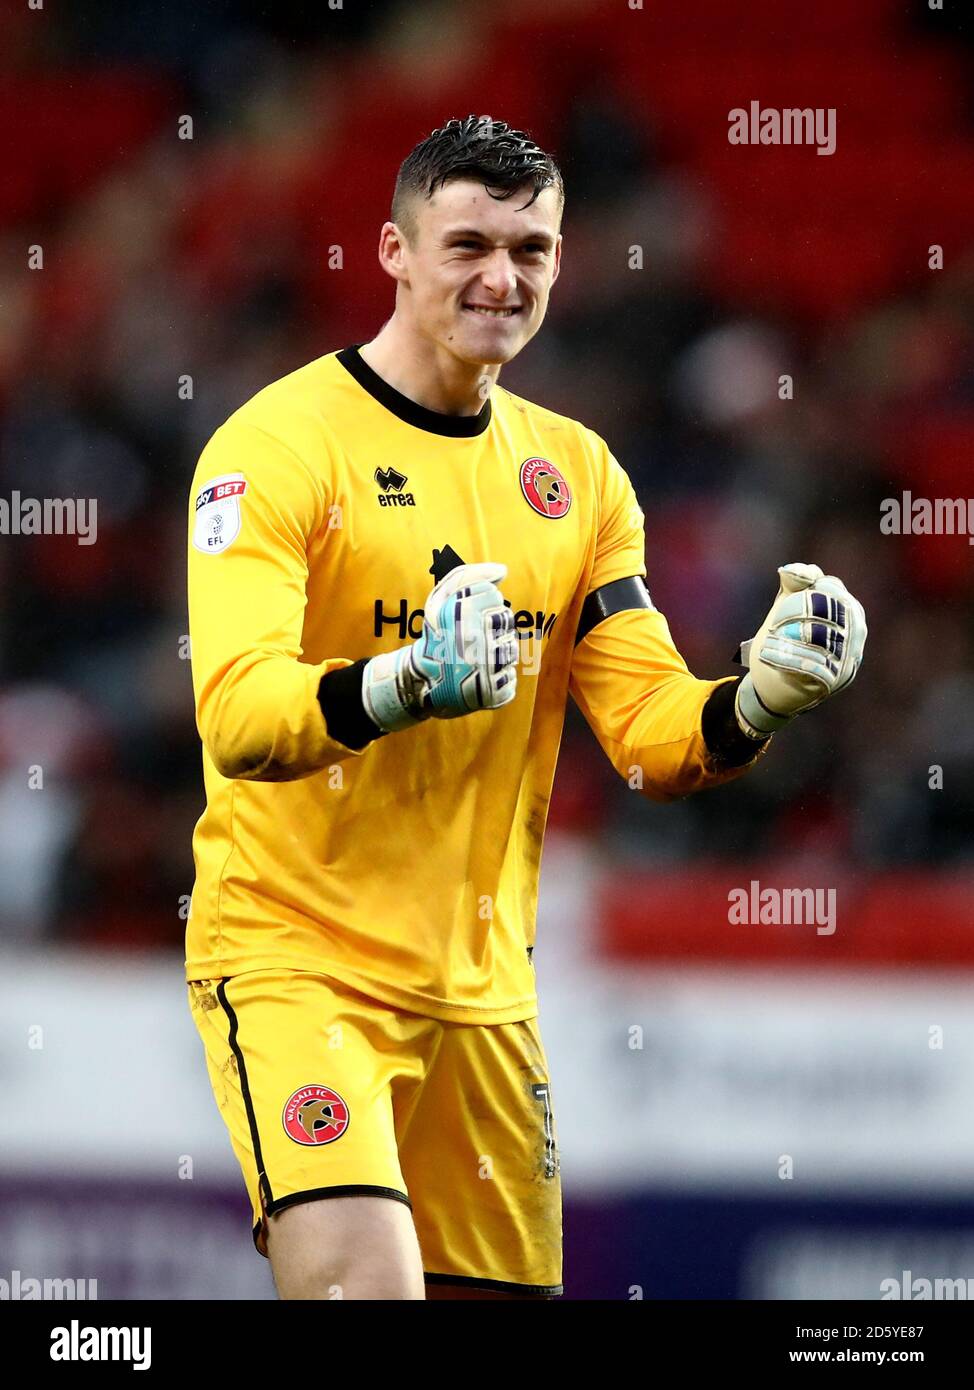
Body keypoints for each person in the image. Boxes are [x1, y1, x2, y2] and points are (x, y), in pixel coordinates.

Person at [185, 115, 866, 1300]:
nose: (501, 277)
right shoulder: (277, 448)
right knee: (361, 1289)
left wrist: (756, 697)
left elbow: (651, 733)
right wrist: (409, 682)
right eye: (466, 245)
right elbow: (238, 716)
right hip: (298, 960)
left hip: (484, 998)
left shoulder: (579, 478)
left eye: (530, 249)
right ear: (393, 252)